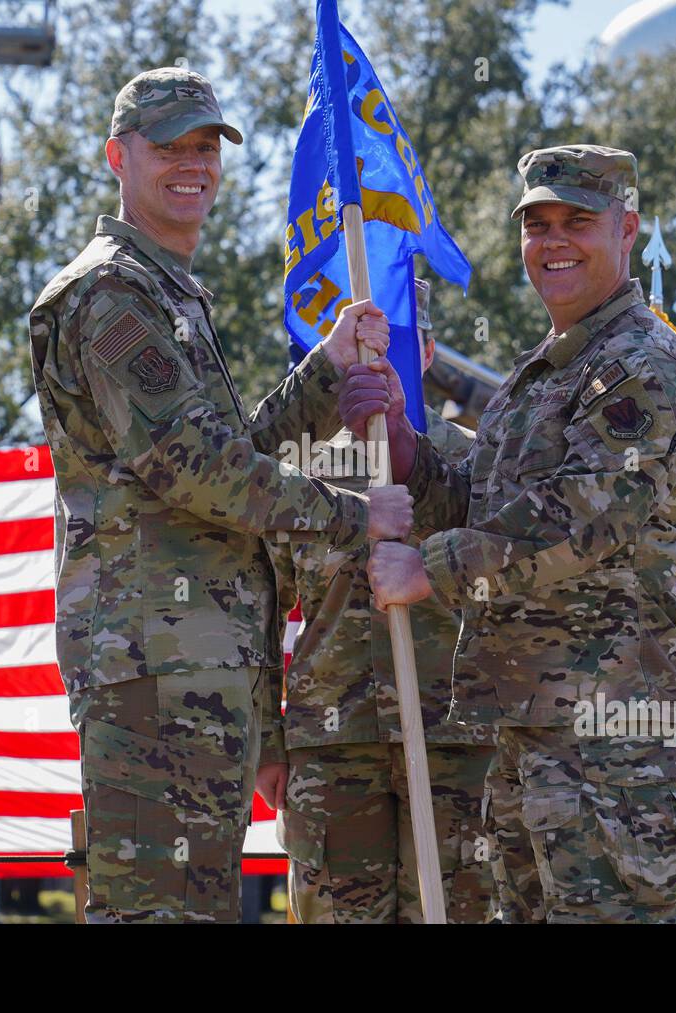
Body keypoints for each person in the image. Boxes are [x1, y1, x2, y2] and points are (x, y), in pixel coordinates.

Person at [28, 67, 411, 923]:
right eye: (171, 146)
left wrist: (328, 371)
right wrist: (356, 520)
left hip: (200, 667)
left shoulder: (169, 294)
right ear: (117, 158)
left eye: (206, 146)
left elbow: (220, 456)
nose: (192, 163)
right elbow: (193, 468)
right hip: (155, 667)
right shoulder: (111, 292)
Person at [340, 145, 676, 923]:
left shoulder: (643, 367)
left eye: (577, 222)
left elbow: (581, 521)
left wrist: (430, 570)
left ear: (628, 230)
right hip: (531, 727)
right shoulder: (545, 372)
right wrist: (411, 450)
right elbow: (489, 501)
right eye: (536, 224)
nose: (553, 242)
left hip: (612, 741)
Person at [269, 279, 496, 923]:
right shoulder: (298, 478)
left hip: (456, 745)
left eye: (395, 346)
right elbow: (259, 608)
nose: (379, 363)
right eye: (364, 346)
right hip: (332, 746)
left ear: (426, 353)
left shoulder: (478, 465)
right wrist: (264, 740)